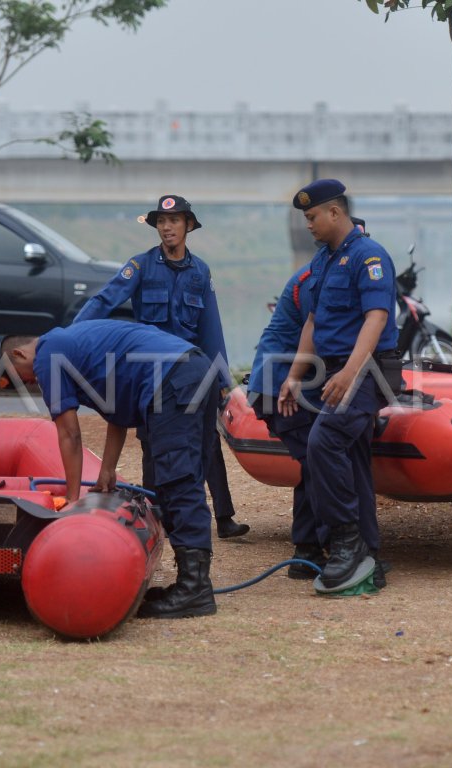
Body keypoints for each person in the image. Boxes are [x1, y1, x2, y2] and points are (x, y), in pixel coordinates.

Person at [0, 320, 220, 618]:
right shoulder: (74, 345)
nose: (25, 384)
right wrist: (107, 469)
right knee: (181, 479)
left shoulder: (48, 356)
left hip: (172, 378)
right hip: (193, 368)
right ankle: (192, 584)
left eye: (13, 379)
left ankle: (195, 590)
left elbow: (69, 434)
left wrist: (72, 500)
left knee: (177, 481)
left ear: (19, 354)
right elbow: (118, 411)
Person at [71, 195, 247, 539]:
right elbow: (104, 300)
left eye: (175, 221)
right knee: (153, 442)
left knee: (206, 440)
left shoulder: (200, 271)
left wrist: (224, 380)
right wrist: (73, 336)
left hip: (192, 370)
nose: (167, 227)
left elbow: (211, 329)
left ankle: (224, 518)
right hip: (151, 371)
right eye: (162, 222)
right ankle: (156, 512)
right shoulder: (139, 266)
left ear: (189, 226)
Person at [278, 179, 399, 592]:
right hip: (334, 371)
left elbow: (376, 318)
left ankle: (345, 539)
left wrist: (349, 371)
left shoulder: (369, 255)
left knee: (323, 442)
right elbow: (312, 322)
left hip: (368, 371)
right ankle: (369, 555)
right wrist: (294, 376)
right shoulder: (324, 261)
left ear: (335, 212)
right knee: (352, 458)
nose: (307, 225)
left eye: (312, 217)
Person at [247, 259, 323, 578]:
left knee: (315, 458)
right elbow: (319, 329)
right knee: (317, 459)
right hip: (278, 386)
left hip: (294, 384)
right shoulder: (315, 278)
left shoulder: (330, 272)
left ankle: (311, 547)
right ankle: (308, 550)